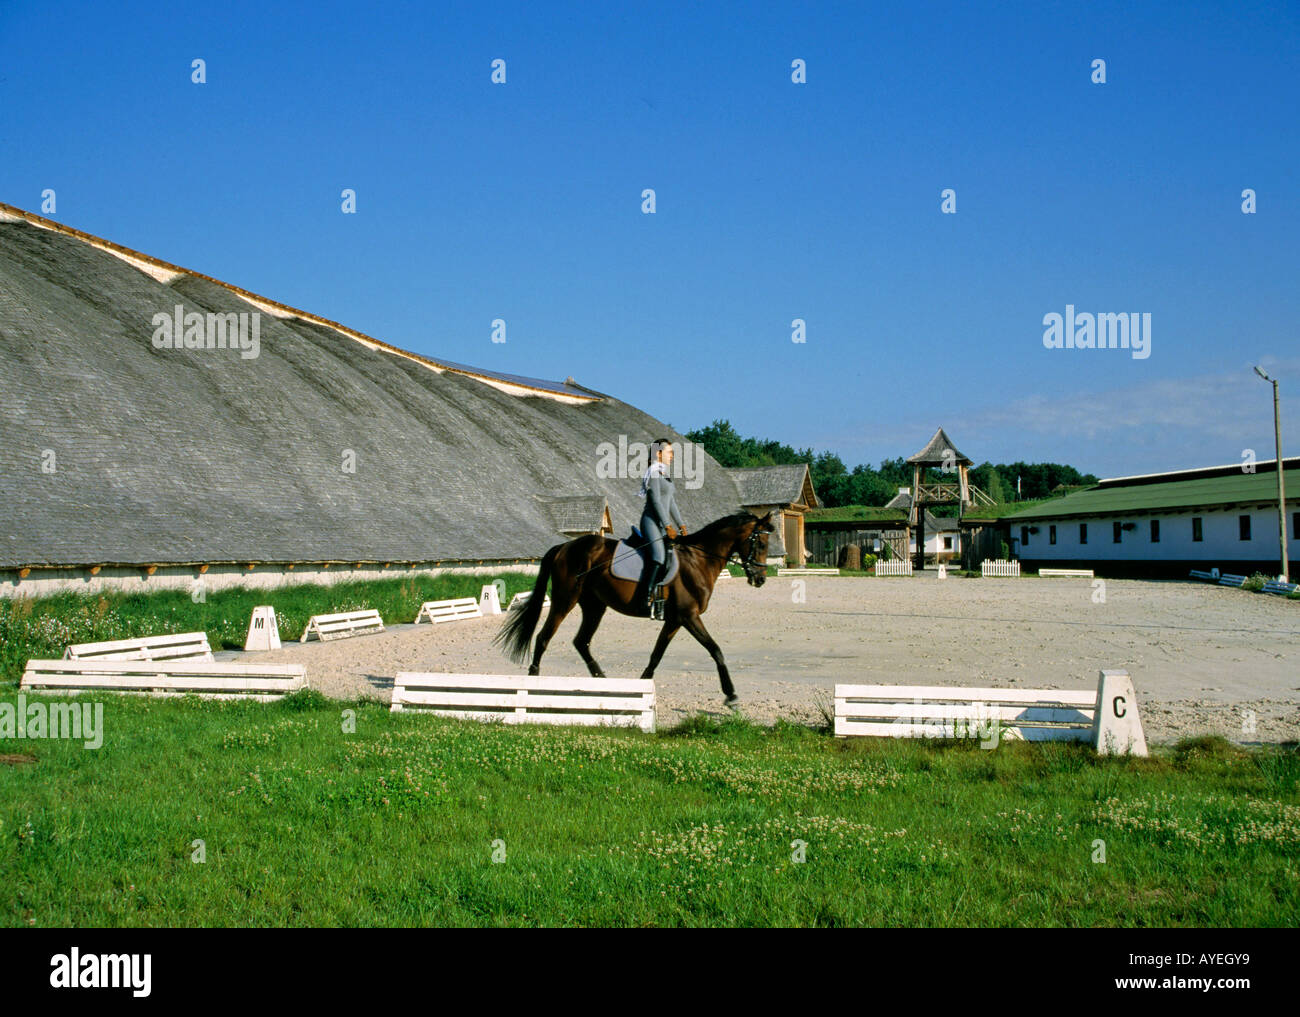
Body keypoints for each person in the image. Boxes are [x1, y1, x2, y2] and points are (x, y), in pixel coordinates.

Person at [638, 438, 687, 613]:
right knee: (658, 555)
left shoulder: (664, 474)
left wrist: (681, 524)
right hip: (651, 522)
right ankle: (645, 597)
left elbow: (671, 502)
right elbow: (656, 501)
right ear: (658, 453)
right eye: (669, 452)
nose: (672, 456)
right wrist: (667, 525)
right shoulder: (653, 473)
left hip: (663, 524)